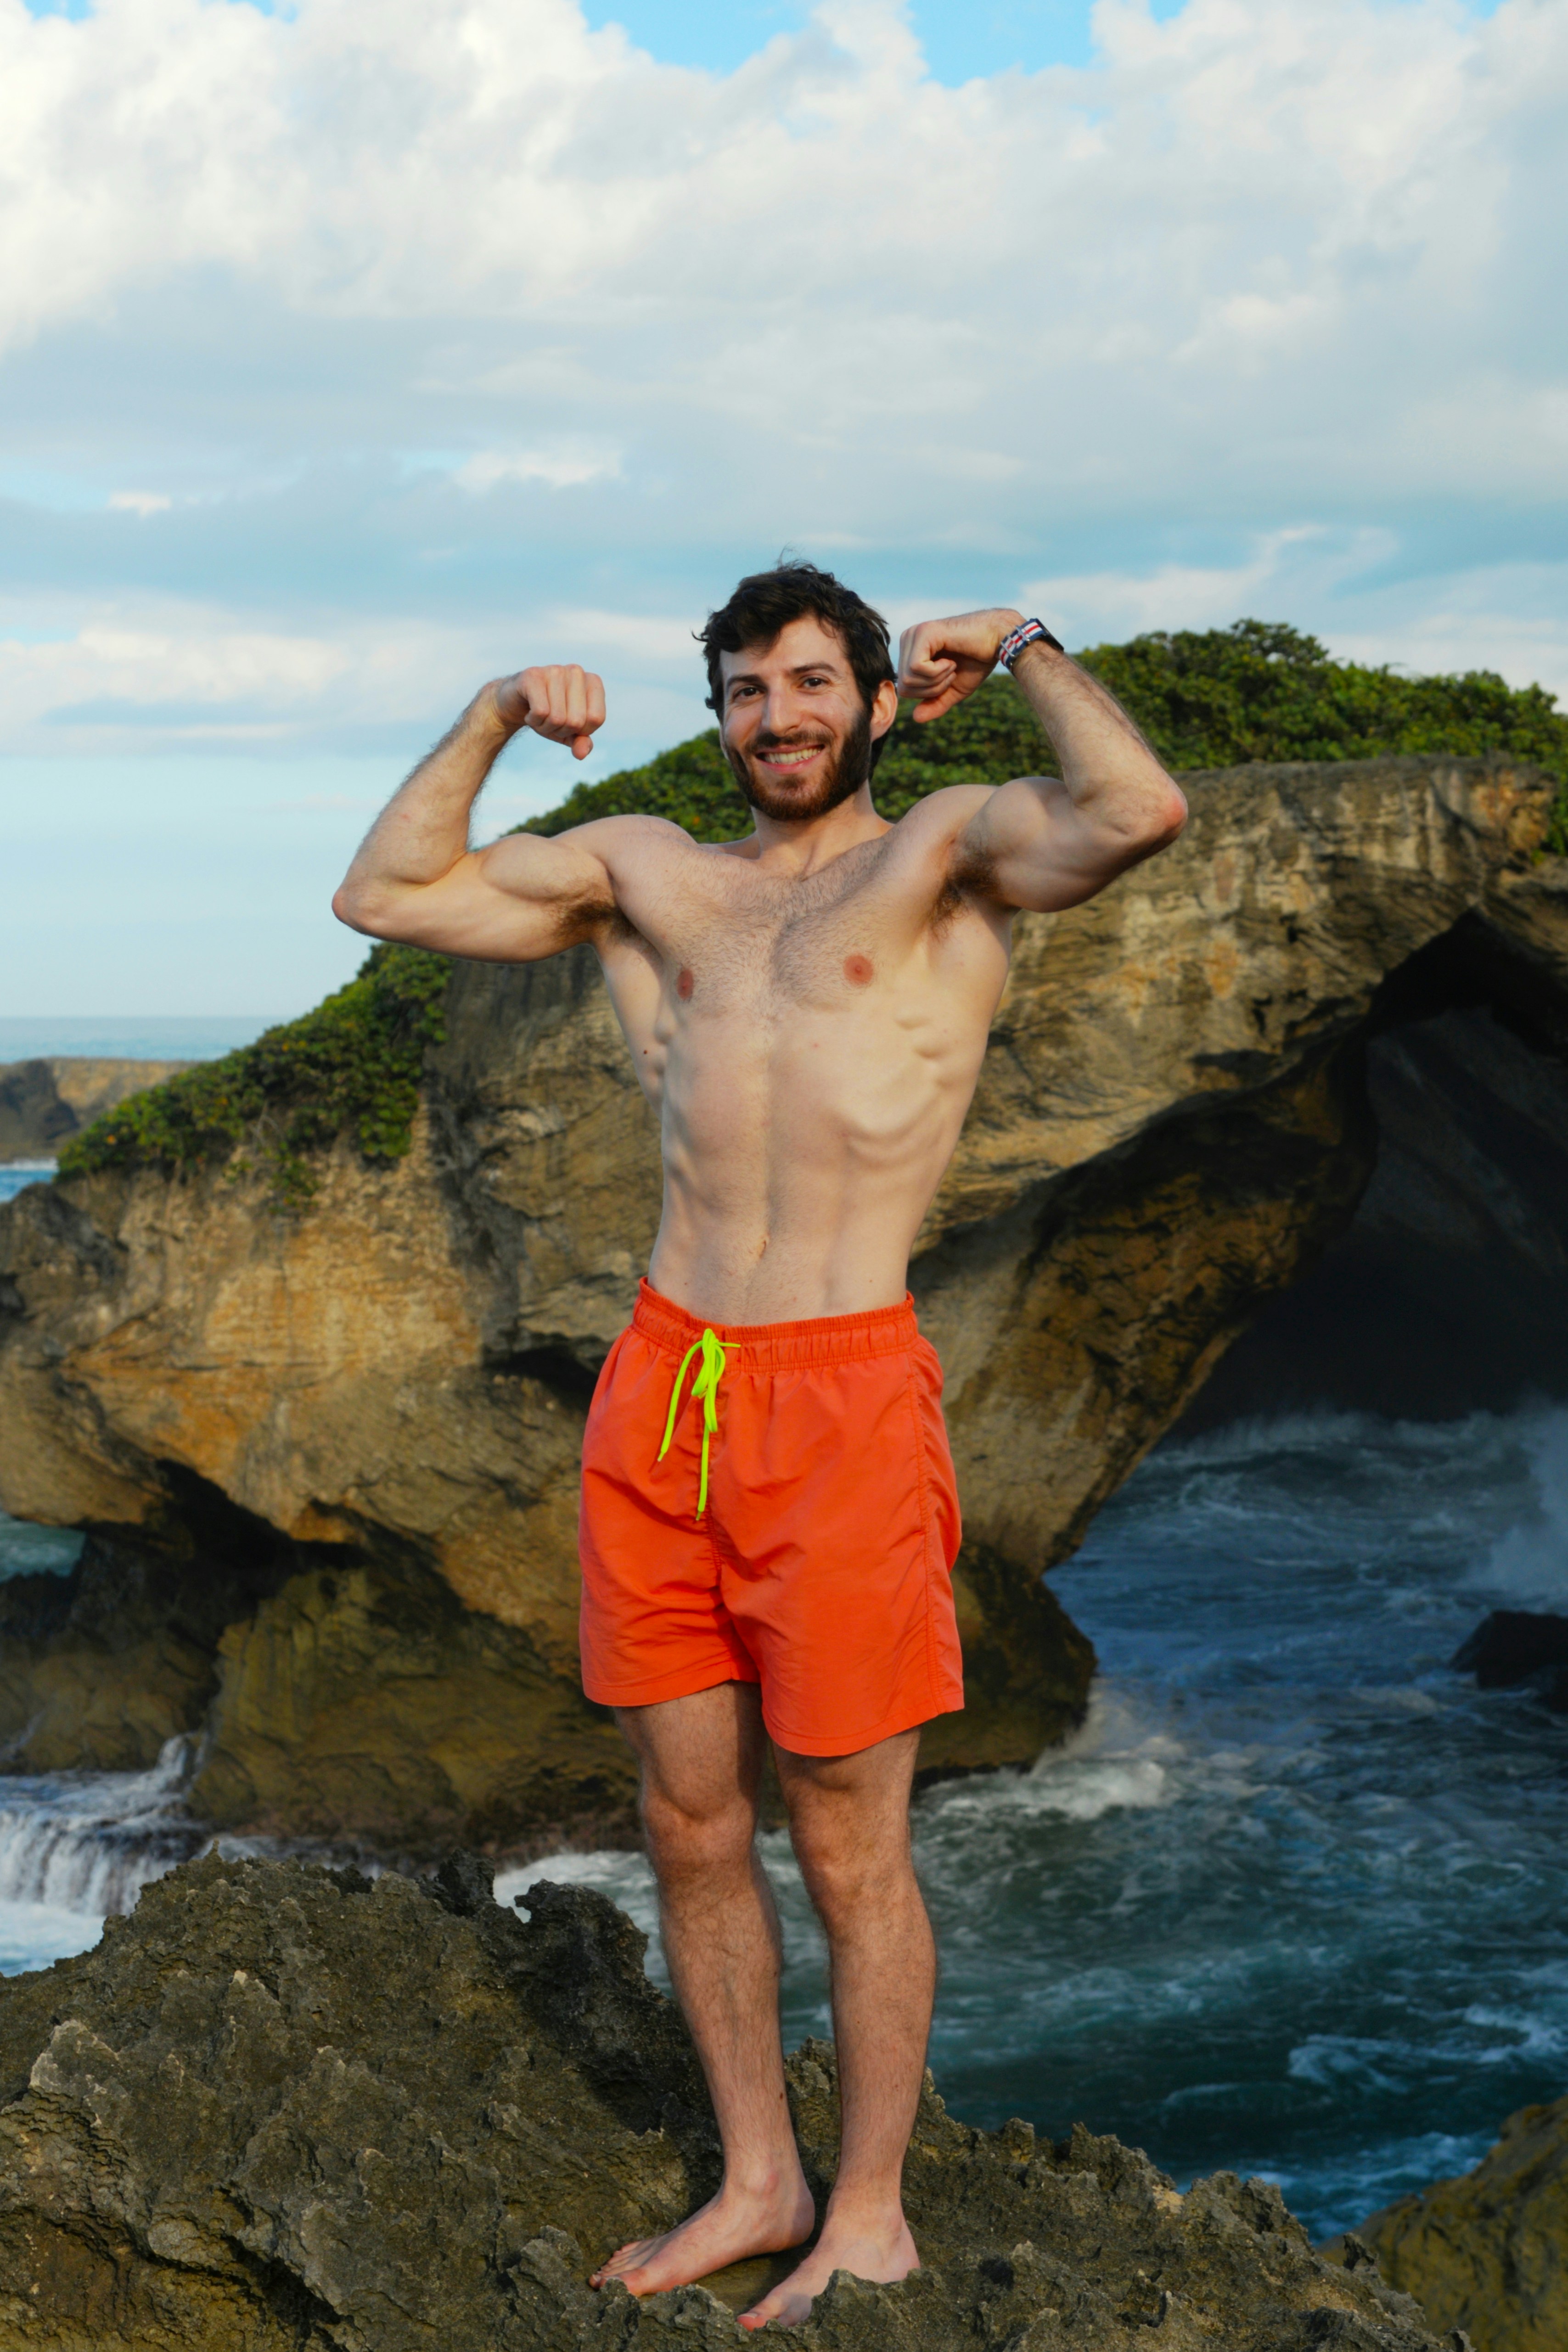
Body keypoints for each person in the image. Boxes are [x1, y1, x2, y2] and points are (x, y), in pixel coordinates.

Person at [332, 563, 1186, 2329]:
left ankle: (868, 2212)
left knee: (850, 1839)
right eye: (745, 689)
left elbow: (1137, 808)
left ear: (877, 699)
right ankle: (758, 2175)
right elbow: (386, 890)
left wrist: (1020, 642)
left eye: (810, 683)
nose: (778, 718)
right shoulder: (651, 875)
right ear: (716, 711)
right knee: (686, 1816)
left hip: (845, 1392)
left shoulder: (945, 853)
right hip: (664, 1386)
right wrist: (496, 713)